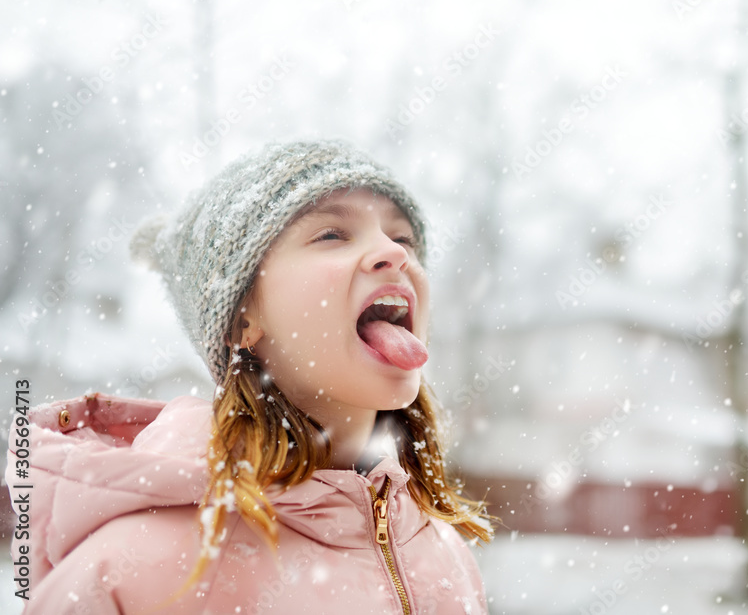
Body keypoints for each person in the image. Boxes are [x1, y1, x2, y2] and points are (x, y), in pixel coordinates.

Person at [11, 140, 494, 613]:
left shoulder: (443, 552)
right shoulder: (133, 574)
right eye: (331, 235)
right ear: (242, 319)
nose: (395, 254)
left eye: (403, 238)